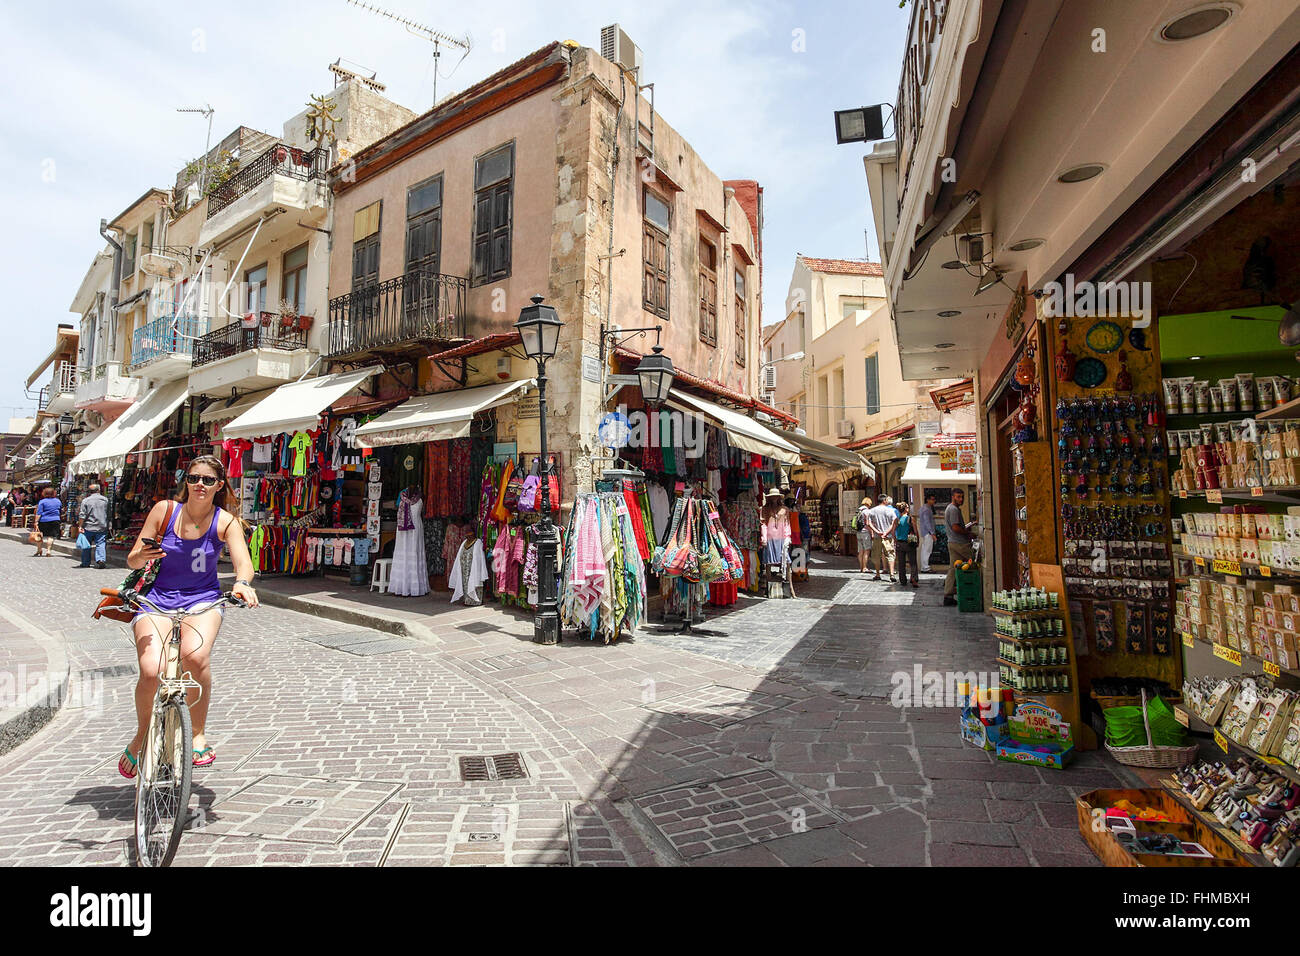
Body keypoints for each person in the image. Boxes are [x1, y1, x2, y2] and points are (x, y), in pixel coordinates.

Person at [118, 455, 259, 779]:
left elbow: (244, 563)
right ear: (186, 480)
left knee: (194, 658)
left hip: (202, 601)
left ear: (219, 485)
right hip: (155, 599)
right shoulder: (164, 510)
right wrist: (143, 555)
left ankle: (196, 732)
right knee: (151, 669)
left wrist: (241, 583)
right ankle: (141, 737)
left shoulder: (225, 522)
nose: (200, 484)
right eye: (194, 477)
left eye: (208, 480)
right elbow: (132, 561)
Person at [943, 487, 976, 606]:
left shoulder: (951, 509)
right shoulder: (953, 510)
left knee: (952, 569)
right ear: (953, 497)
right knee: (976, 561)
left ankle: (948, 595)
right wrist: (968, 533)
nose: (961, 499)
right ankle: (972, 589)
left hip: (953, 542)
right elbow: (955, 527)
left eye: (962, 497)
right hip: (959, 543)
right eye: (958, 497)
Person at [77, 482, 110, 569]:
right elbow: (109, 513)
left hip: (88, 526)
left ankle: (85, 562)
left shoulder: (85, 501)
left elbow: (82, 515)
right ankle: (101, 559)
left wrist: (80, 526)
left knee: (86, 544)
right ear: (99, 490)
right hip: (102, 525)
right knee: (101, 543)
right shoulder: (105, 500)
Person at [866, 494, 899, 581]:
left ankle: (877, 574)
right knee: (890, 555)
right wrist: (886, 532)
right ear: (884, 501)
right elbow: (894, 522)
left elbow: (868, 523)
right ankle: (892, 574)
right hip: (888, 537)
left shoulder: (872, 511)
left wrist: (877, 531)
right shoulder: (890, 511)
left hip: (877, 537)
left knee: (876, 556)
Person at [894, 501, 920, 587]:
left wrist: (895, 540)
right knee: (913, 562)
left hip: (900, 543)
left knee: (901, 563)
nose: (908, 509)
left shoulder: (897, 519)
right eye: (908, 507)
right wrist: (918, 540)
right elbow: (915, 531)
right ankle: (914, 578)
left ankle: (902, 580)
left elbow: (893, 531)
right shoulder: (910, 518)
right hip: (910, 542)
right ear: (905, 509)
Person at [34, 486, 61, 557]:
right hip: (55, 520)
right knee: (51, 536)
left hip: (44, 520)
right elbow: (60, 510)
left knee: (40, 535)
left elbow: (39, 513)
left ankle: (39, 550)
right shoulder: (58, 501)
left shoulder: (42, 501)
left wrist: (36, 521)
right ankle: (48, 551)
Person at [917, 492, 937, 572]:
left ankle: (924, 566)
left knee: (925, 549)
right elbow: (927, 522)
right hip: (927, 532)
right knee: (927, 550)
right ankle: (925, 567)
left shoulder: (924, 508)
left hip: (925, 532)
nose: (933, 501)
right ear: (928, 500)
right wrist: (932, 533)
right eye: (932, 499)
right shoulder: (926, 509)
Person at [852, 497, 873, 573]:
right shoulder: (867, 511)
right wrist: (872, 532)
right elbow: (868, 523)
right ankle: (864, 567)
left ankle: (861, 567)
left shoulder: (858, 510)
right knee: (867, 550)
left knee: (860, 551)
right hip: (865, 532)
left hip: (858, 532)